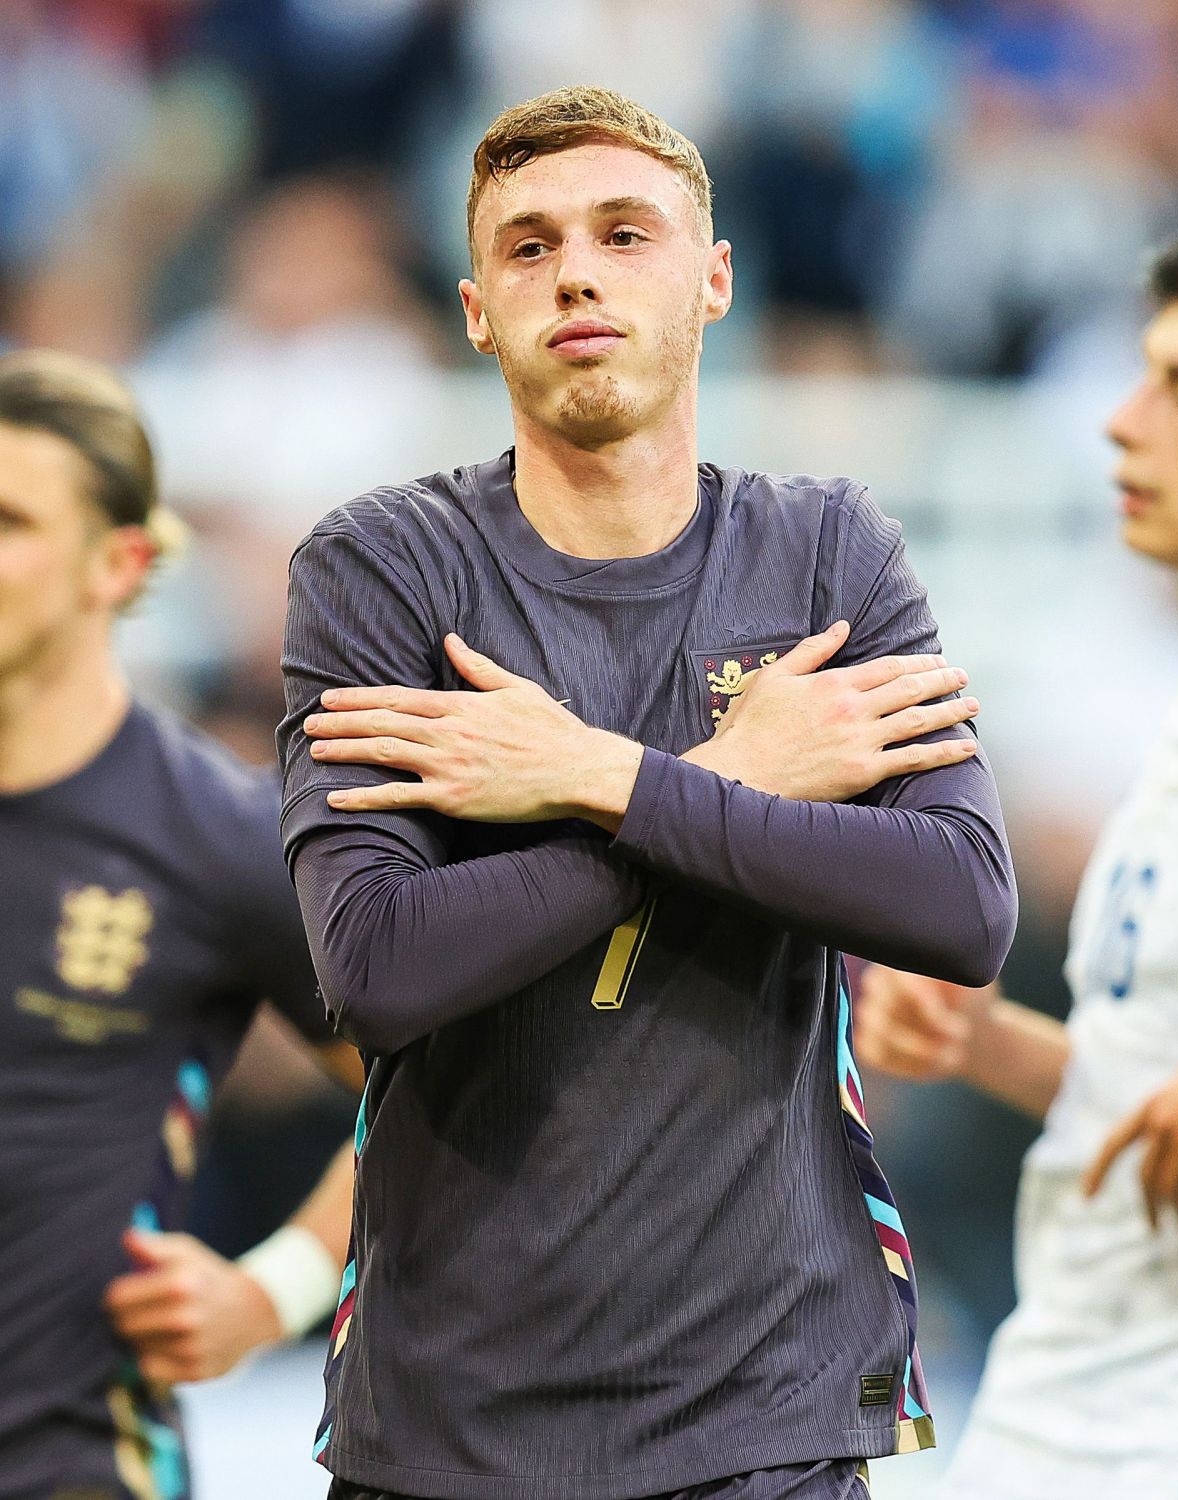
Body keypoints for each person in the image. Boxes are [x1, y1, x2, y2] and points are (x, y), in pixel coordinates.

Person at [278, 87, 1018, 1500]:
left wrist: (597, 778)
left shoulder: (825, 555)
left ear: (714, 279)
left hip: (772, 1416)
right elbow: (376, 967)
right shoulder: (384, 573)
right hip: (452, 1427)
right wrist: (730, 781)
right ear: (478, 308)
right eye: (528, 245)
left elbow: (963, 906)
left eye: (628, 233)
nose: (577, 272)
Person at [855, 226, 1178, 1499]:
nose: (1120, 424)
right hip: (1071, 1410)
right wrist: (987, 1042)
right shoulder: (1175, 730)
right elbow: (1151, 1103)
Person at [0, 348, 357, 1500]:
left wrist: (273, 1295)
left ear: (124, 562)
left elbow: (448, 1092)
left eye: (9, 520)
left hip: (70, 1465)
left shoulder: (213, 833)